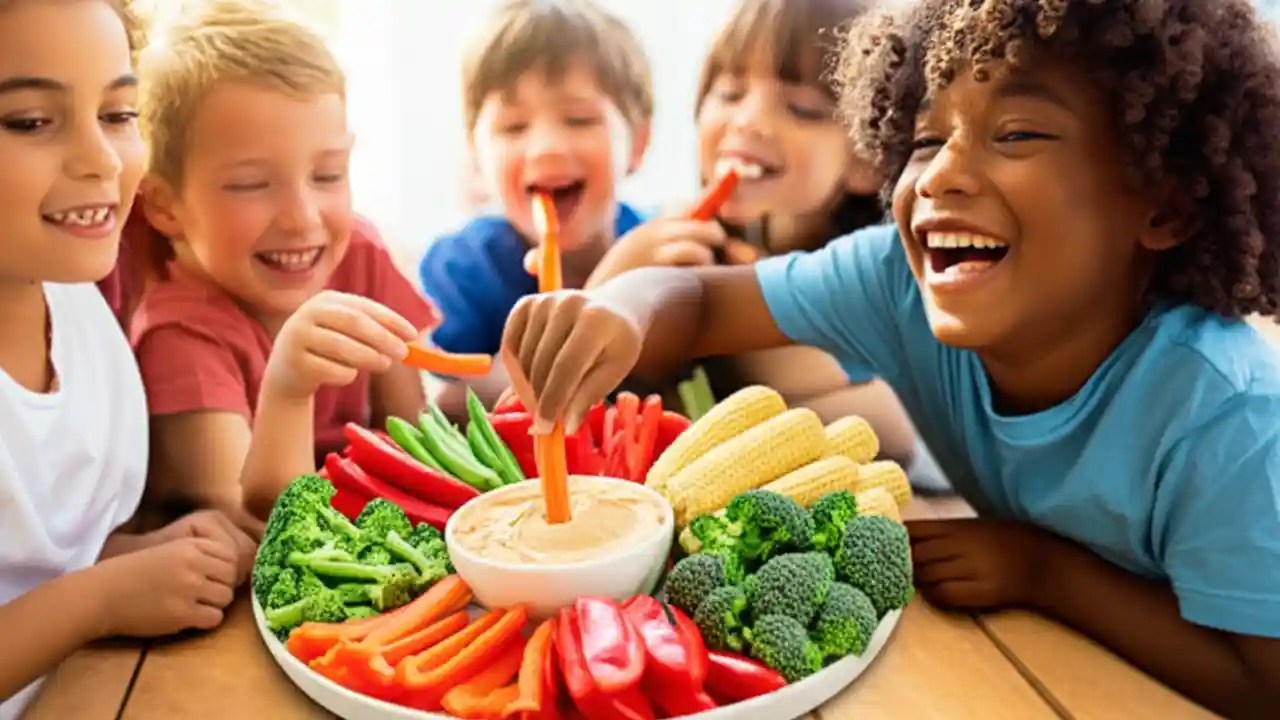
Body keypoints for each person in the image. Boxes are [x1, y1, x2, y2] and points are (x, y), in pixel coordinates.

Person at [500, 0, 1280, 715]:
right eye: (926, 141)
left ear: (1165, 204)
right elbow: (701, 300)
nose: (939, 174)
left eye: (1017, 135)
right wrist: (619, 309)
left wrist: (1046, 573)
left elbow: (1260, 678)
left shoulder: (1225, 416)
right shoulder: (896, 281)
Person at [0, 2, 252, 717]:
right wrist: (99, 599)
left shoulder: (76, 306)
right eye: (28, 122)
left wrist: (128, 562)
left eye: (118, 114)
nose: (103, 160)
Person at [576, 0, 943, 483]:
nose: (747, 120)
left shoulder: (891, 267)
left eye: (802, 109)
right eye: (728, 93)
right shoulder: (665, 242)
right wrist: (614, 284)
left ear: (868, 159)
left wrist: (723, 317)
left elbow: (894, 433)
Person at [127, 0, 435, 532]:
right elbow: (268, 523)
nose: (302, 217)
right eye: (251, 184)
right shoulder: (177, 336)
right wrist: (289, 387)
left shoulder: (359, 255)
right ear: (163, 205)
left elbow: (417, 446)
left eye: (328, 174)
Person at [417, 0, 653, 414]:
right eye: (513, 127)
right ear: (476, 155)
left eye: (579, 120)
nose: (545, 148)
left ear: (637, 143)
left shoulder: (658, 255)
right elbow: (450, 401)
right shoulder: (462, 268)